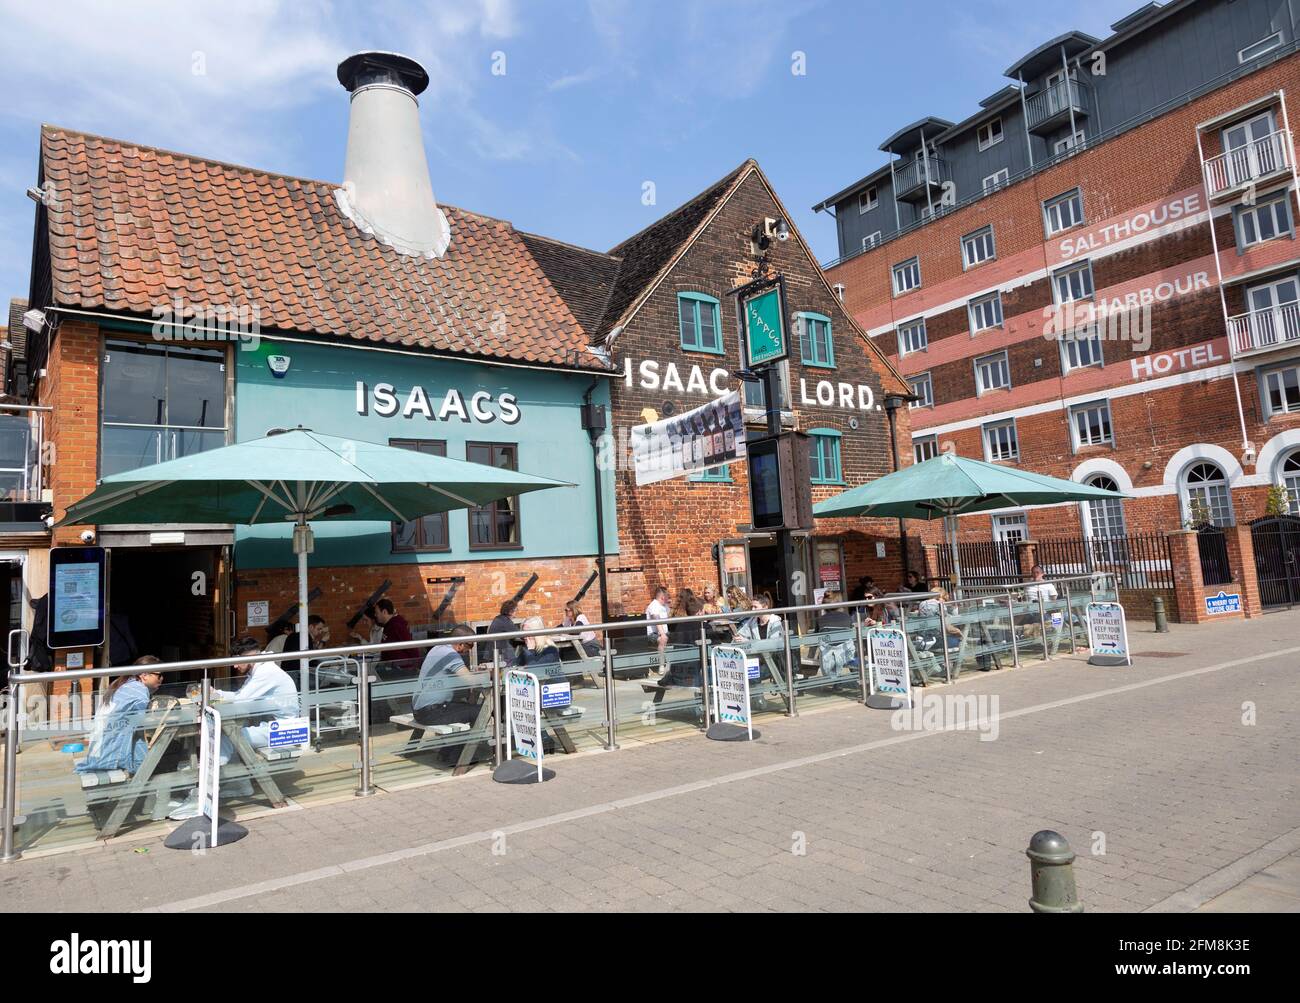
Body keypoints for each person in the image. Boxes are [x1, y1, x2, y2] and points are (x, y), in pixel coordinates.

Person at [169, 637, 301, 819]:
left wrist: (215, 696)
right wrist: (215, 693)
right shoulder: (260, 668)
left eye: (236, 661)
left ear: (247, 656)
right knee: (231, 732)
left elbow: (241, 700)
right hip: (273, 726)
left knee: (228, 736)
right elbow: (241, 696)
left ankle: (205, 788)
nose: (234, 667)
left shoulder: (266, 672)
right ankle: (237, 784)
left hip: (286, 731)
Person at [75, 657, 163, 777]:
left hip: (99, 751)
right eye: (159, 675)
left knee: (139, 737)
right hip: (110, 757)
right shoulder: (138, 689)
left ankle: (144, 774)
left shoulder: (124, 683)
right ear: (144, 675)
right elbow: (148, 721)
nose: (162, 679)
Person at [411, 624, 480, 729]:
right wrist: (490, 674)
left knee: (465, 707)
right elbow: (470, 680)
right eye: (470, 646)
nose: (469, 650)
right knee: (478, 711)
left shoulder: (437, 648)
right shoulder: (451, 655)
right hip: (431, 712)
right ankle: (460, 745)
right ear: (460, 644)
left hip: (420, 710)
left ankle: (455, 743)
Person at [280, 614, 329, 682]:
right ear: (311, 627)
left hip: (289, 673)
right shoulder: (304, 638)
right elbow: (313, 658)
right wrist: (323, 641)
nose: (320, 632)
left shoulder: (296, 636)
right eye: (319, 629)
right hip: (296, 674)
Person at [374, 598, 418, 665]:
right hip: (391, 667)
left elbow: (411, 647)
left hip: (402, 670)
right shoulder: (388, 626)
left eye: (377, 613)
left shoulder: (397, 626)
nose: (375, 615)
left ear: (384, 612)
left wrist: (416, 666)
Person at [489, 599, 521, 666]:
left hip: (497, 652)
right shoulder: (505, 621)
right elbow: (519, 635)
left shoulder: (499, 618)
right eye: (516, 611)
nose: (517, 612)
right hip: (502, 654)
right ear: (510, 612)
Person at [645, 586, 670, 656]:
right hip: (653, 634)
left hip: (665, 632)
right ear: (663, 597)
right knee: (662, 640)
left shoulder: (665, 606)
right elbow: (657, 620)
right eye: (667, 595)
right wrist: (662, 634)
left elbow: (670, 616)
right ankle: (661, 664)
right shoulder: (654, 605)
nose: (668, 597)